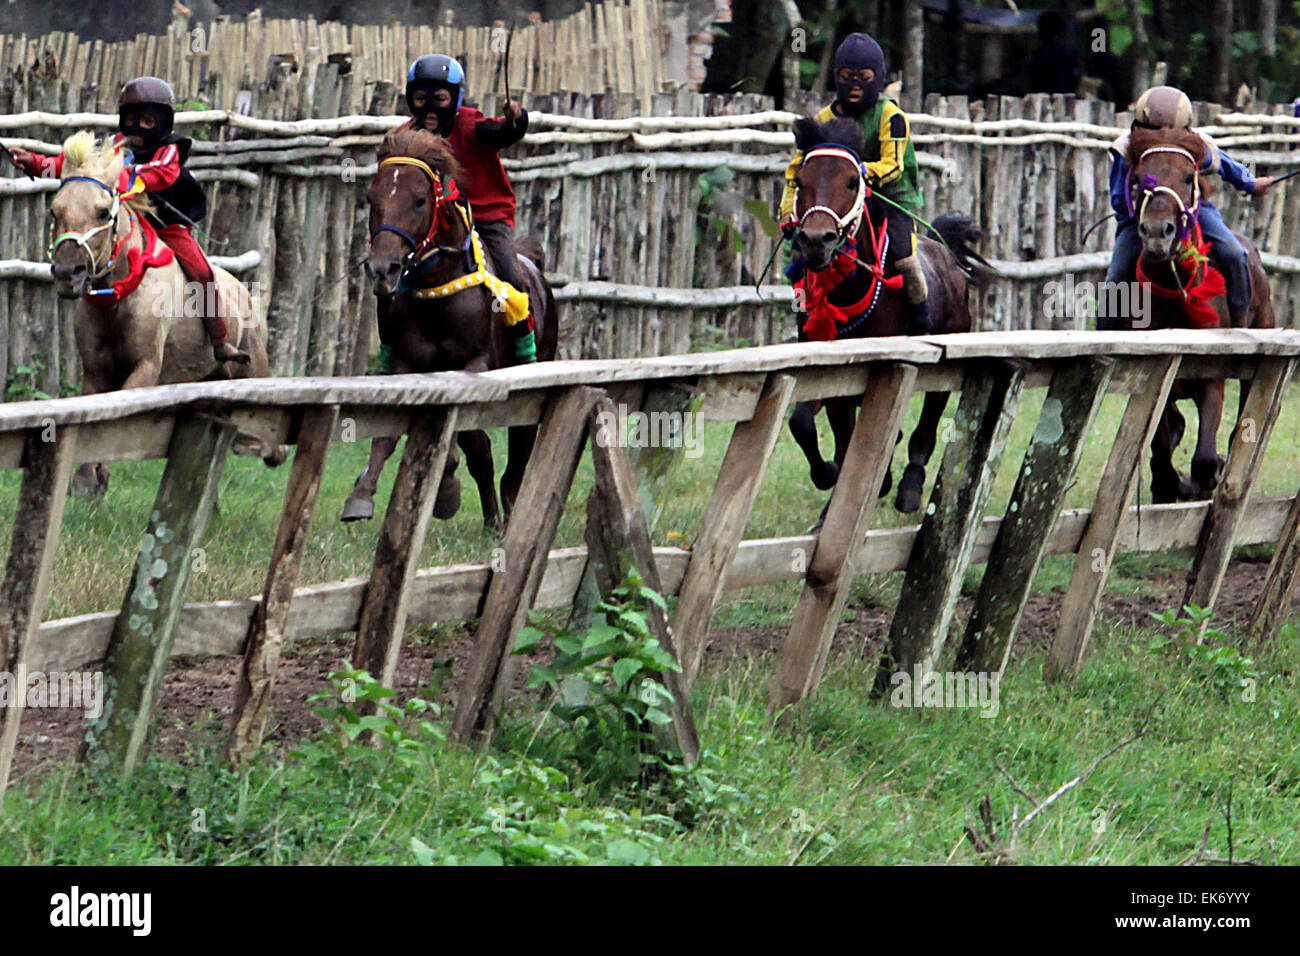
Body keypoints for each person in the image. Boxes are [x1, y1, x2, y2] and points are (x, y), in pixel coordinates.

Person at [7, 76, 247, 364]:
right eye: (133, 120)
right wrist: (33, 162)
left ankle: (220, 340)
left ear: (162, 122)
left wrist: (122, 178)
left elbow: (161, 174)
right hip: (124, 223)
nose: (139, 127)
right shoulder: (114, 149)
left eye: (148, 121)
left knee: (202, 271)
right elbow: (68, 168)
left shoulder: (169, 149)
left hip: (164, 226)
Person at [778, 32, 930, 333]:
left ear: (878, 78)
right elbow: (798, 168)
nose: (855, 85)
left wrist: (857, 173)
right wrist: (787, 210)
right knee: (802, 250)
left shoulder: (892, 115)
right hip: (838, 201)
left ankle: (920, 320)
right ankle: (805, 318)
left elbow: (893, 166)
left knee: (905, 257)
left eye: (864, 77)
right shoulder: (822, 120)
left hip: (889, 196)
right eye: (847, 77)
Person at [400, 53, 536, 363]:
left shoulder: (472, 124)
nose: (430, 108)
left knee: (512, 276)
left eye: (440, 98)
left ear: (456, 98)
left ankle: (526, 348)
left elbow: (505, 132)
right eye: (421, 98)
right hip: (432, 223)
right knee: (390, 280)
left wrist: (517, 118)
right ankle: (388, 352)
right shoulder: (406, 136)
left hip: (486, 216)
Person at [1104, 85, 1274, 329]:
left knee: (1235, 253)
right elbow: (1119, 199)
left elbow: (1228, 167)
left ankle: (1239, 324)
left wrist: (1251, 183)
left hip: (1191, 211)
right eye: (1152, 130)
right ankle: (1105, 343)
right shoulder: (1125, 148)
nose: (1162, 134)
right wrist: (1136, 202)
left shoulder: (1196, 145)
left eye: (1168, 129)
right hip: (1141, 216)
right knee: (1117, 276)